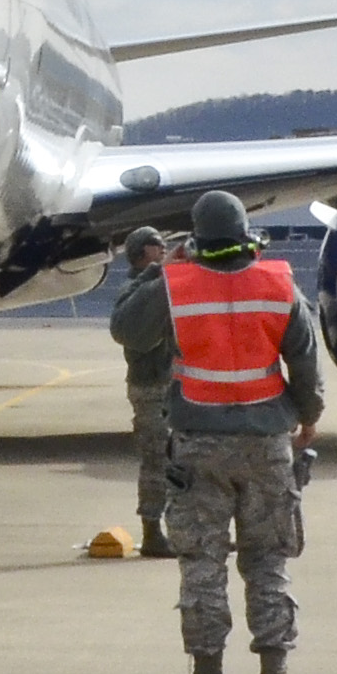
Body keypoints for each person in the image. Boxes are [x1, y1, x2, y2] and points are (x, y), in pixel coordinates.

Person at [116, 190, 322, 674]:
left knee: (201, 562)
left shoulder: (177, 283)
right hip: (268, 442)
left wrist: (163, 272)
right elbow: (303, 356)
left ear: (196, 237)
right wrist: (309, 414)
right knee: (267, 559)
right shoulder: (278, 283)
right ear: (245, 233)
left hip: (198, 444)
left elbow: (127, 330)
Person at [110, 228, 179, 559]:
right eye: (156, 245)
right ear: (140, 252)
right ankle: (152, 531)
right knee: (156, 461)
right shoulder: (136, 289)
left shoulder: (163, 284)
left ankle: (180, 529)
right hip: (150, 388)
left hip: (173, 384)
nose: (163, 248)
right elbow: (133, 326)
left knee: (181, 461)